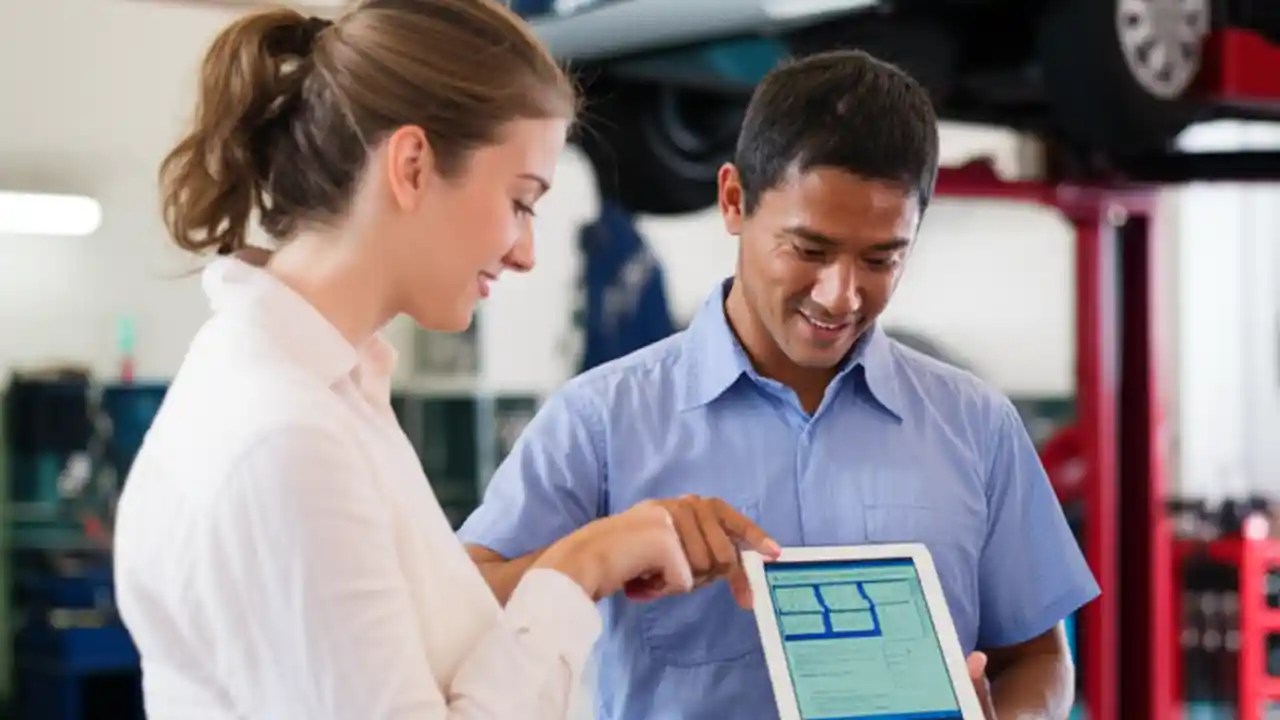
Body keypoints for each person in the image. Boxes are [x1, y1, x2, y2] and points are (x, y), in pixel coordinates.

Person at [111, 3, 779, 718]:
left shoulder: (328, 392)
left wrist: (604, 549)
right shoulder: (287, 437)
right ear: (412, 167)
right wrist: (577, 569)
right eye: (521, 202)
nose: (526, 253)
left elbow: (415, 637)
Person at [460, 49, 1101, 720]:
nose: (840, 294)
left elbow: (1039, 656)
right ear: (734, 200)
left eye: (881, 258)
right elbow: (459, 614)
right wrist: (600, 552)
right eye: (810, 250)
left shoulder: (977, 426)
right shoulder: (598, 424)